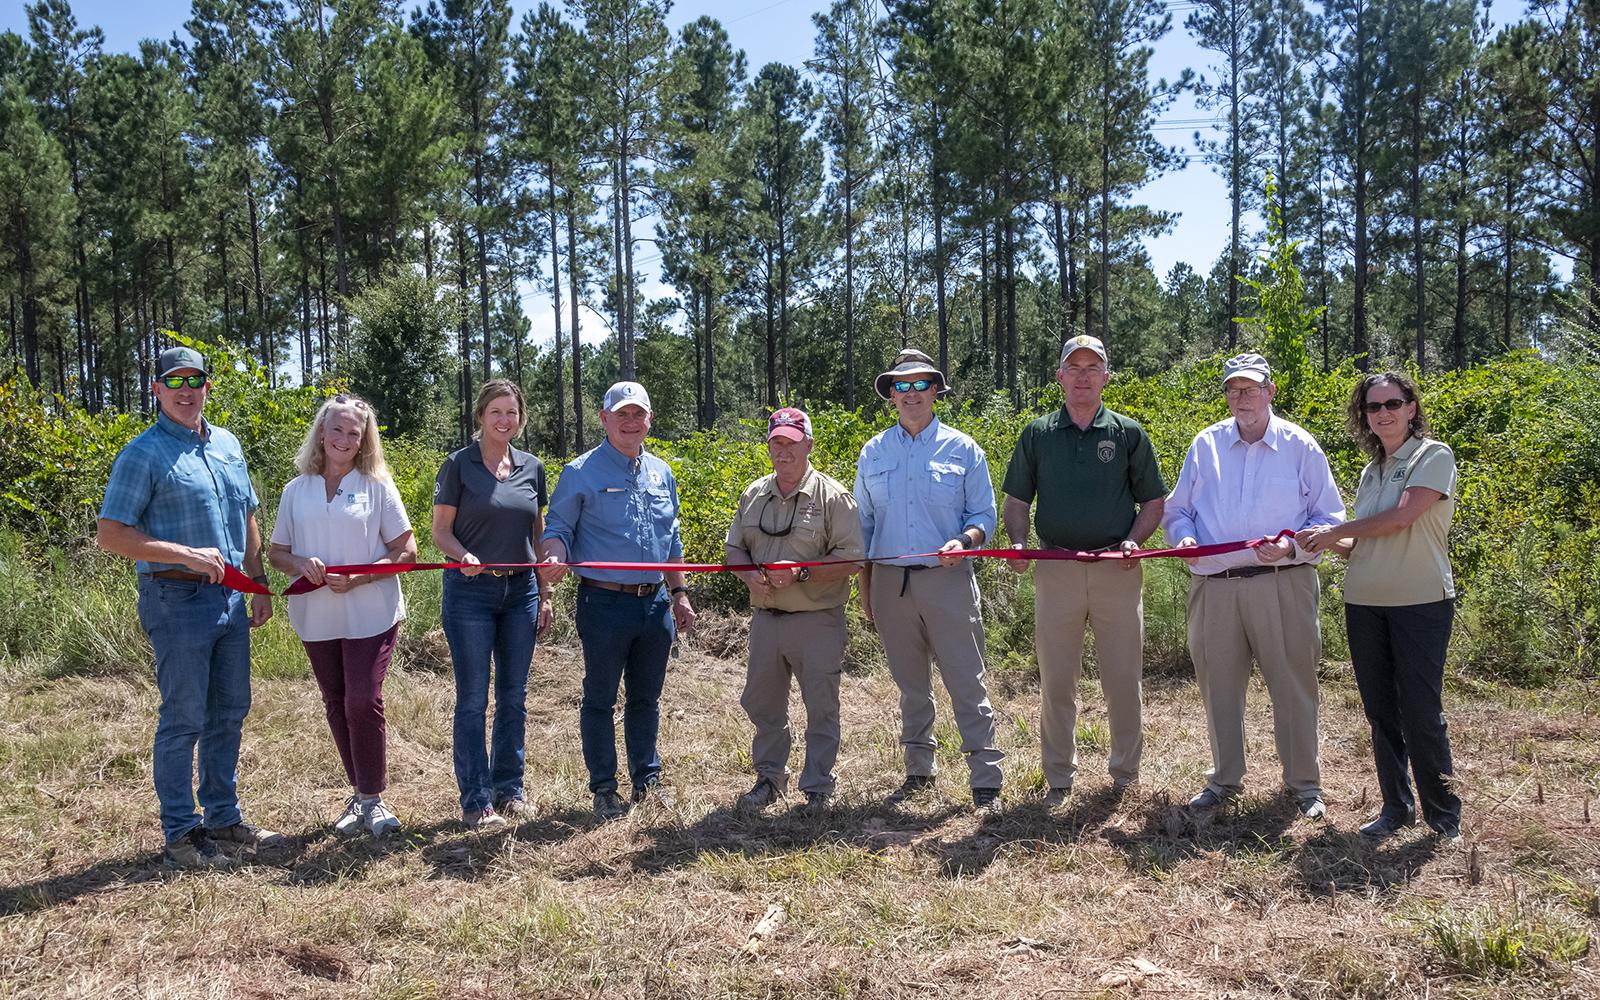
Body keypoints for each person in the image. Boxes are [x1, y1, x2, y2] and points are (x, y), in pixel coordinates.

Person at [95, 345, 281, 868]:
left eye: (194, 380)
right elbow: (111, 535)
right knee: (184, 717)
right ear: (156, 390)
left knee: (230, 710)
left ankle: (222, 818)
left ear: (206, 386)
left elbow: (247, 515)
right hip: (175, 599)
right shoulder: (142, 454)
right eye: (173, 382)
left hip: (228, 599)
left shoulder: (226, 444)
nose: (185, 391)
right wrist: (186, 556)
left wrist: (259, 580)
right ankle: (181, 833)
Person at [1162, 353, 1345, 819]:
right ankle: (1224, 780)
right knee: (1217, 687)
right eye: (1233, 390)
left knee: (1293, 686)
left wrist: (1291, 549)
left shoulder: (1301, 447)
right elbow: (1177, 508)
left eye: (1250, 389)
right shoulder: (1205, 445)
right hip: (1216, 587)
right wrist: (1183, 536)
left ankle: (1304, 786)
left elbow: (1330, 520)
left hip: (1283, 584)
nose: (1241, 398)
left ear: (1271, 391)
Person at [1296, 372, 1463, 843]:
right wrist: (1320, 540)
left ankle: (1444, 814)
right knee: (1381, 711)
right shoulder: (1373, 470)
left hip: (1420, 603)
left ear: (1412, 408)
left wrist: (1336, 531)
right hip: (1365, 603)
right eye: (1373, 407)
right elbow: (1362, 542)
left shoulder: (1434, 456)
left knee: (1421, 711)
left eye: (1393, 402)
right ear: (1365, 416)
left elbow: (1403, 517)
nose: (1383, 412)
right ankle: (1396, 808)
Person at [1001, 334, 1166, 807]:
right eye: (1074, 367)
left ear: (1106, 378)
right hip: (1056, 567)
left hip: (1116, 566)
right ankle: (1058, 777)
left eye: (1093, 368)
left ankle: (1125, 776)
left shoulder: (1128, 433)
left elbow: (1153, 501)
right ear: (1059, 376)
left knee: (1122, 678)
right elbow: (1017, 500)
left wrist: (1135, 540)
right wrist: (1017, 542)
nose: (1083, 376)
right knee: (1056, 678)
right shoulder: (1037, 434)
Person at [538, 381, 697, 822]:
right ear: (604, 419)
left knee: (646, 698)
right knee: (600, 699)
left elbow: (671, 540)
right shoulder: (580, 472)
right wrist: (554, 554)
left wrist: (679, 592)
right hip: (604, 604)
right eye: (621, 414)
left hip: (655, 607)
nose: (630, 423)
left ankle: (647, 780)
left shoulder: (662, 473)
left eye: (638, 414)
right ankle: (604, 788)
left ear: (649, 420)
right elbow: (559, 530)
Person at [856, 349, 1005, 814]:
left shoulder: (964, 449)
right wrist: (866, 589)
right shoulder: (873, 452)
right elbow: (863, 526)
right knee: (910, 684)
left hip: (948, 579)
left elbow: (985, 514)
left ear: (936, 391)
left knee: (966, 679)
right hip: (889, 583)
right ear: (891, 396)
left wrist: (966, 539)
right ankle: (919, 768)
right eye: (903, 386)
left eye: (921, 385)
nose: (912, 394)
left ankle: (985, 778)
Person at [268, 394, 417, 838]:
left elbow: (407, 551)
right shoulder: (295, 491)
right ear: (321, 432)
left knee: (360, 699)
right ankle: (360, 795)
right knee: (335, 702)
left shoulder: (377, 486)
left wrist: (361, 578)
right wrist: (301, 565)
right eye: (337, 429)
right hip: (316, 615)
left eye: (355, 432)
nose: (345, 439)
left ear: (364, 440)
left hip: (370, 612)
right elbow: (277, 554)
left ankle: (373, 797)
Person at [725, 407, 865, 813]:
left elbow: (853, 559)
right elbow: (735, 548)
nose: (783, 451)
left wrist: (802, 573)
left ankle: (818, 788)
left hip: (816, 620)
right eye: (776, 442)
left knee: (821, 706)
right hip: (766, 620)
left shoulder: (833, 498)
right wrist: (749, 575)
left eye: (791, 442)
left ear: (809, 444)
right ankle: (769, 779)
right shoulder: (753, 494)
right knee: (763, 704)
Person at [432, 379, 553, 830]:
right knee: (472, 698)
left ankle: (509, 789)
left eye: (512, 412)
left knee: (514, 697)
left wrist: (546, 591)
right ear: (480, 416)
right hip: (470, 594)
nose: (505, 420)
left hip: (520, 591)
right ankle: (476, 797)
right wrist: (461, 555)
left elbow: (538, 536)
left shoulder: (532, 467)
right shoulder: (458, 465)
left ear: (521, 418)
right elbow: (440, 530)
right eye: (496, 411)